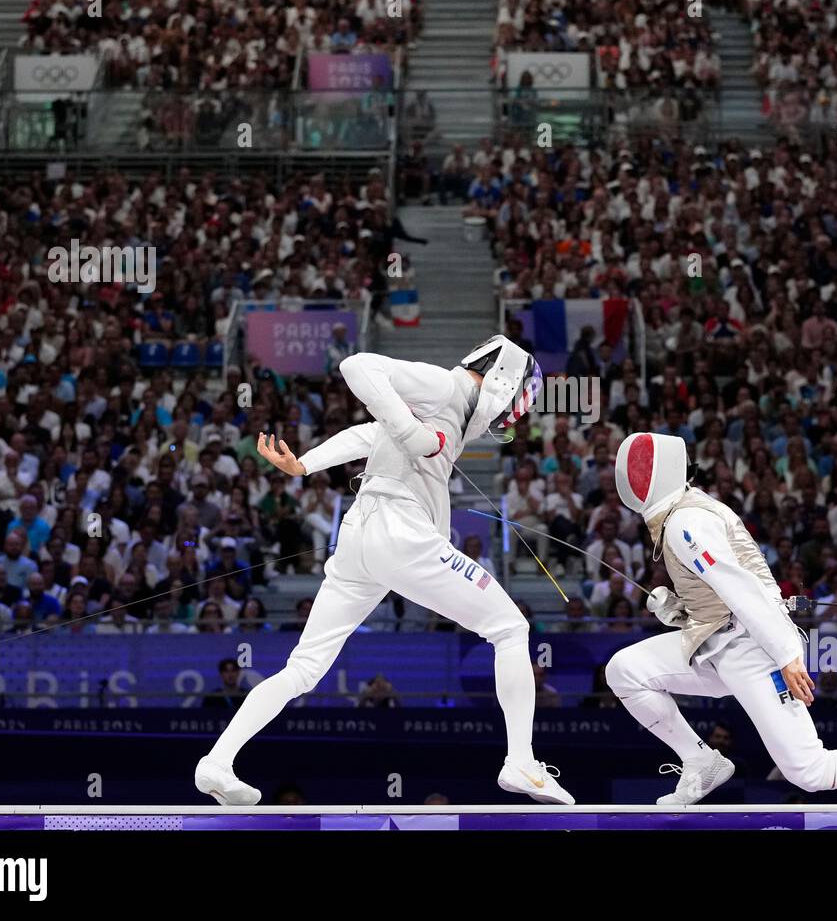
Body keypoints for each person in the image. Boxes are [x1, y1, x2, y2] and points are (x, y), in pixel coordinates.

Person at [194, 336, 573, 805]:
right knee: (511, 627)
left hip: (362, 537)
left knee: (305, 667)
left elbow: (370, 435)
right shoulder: (444, 386)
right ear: (502, 378)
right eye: (515, 400)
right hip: (400, 532)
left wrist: (306, 465)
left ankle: (217, 762)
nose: (507, 414)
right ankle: (521, 761)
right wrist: (412, 434)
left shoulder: (452, 411)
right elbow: (357, 365)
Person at [604, 432, 837, 805]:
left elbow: (742, 589)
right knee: (625, 670)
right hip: (713, 646)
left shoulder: (686, 524)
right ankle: (701, 760)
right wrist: (682, 611)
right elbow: (721, 592)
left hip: (754, 646)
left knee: (809, 772)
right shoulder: (681, 516)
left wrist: (786, 654)